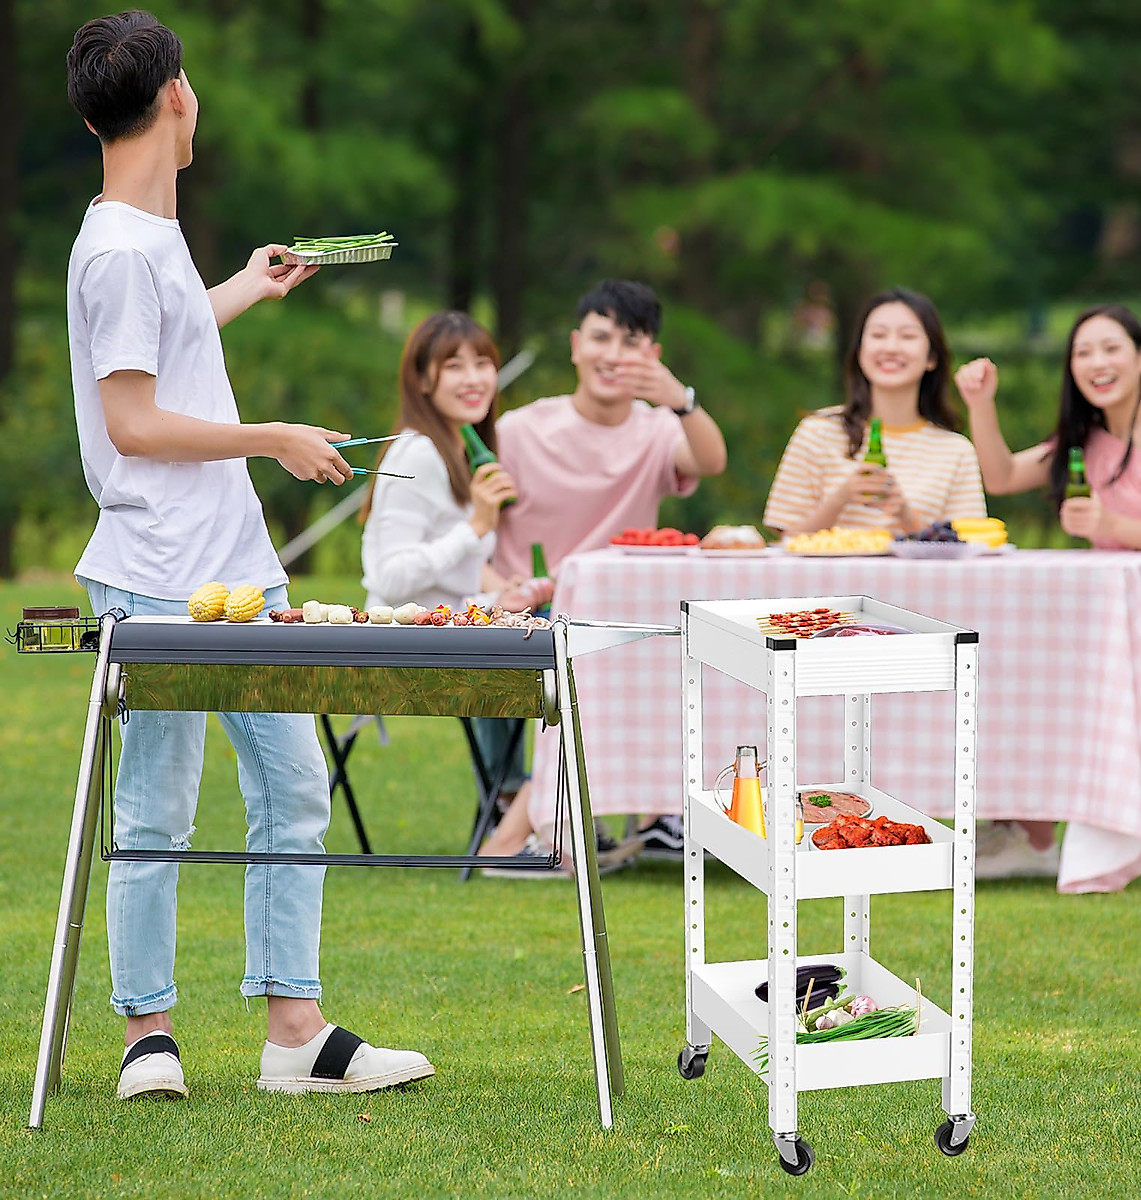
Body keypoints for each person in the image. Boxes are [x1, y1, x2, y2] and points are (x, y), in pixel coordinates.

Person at [65, 10, 432, 1100]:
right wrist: (273, 437)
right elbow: (132, 423)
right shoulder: (124, 252)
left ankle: (296, 1034)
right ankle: (149, 1039)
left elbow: (163, 357)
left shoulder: (144, 233)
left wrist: (242, 290)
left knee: (291, 784)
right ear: (176, 96)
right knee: (155, 807)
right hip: (156, 566)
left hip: (235, 563)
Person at [479, 279, 728, 872]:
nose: (612, 354)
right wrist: (498, 591)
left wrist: (681, 400)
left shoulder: (659, 428)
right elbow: (474, 532)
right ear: (574, 345)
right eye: (600, 337)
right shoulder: (519, 429)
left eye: (631, 341)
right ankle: (538, 827)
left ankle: (627, 815)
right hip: (522, 610)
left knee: (685, 645)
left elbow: (711, 461)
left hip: (614, 619)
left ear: (653, 356)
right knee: (578, 653)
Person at [956, 303, 1141, 877]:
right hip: (1106, 622)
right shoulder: (1085, 436)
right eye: (1083, 352)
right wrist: (979, 404)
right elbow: (1003, 477)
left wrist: (1111, 527)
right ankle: (1031, 835)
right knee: (1032, 692)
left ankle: (1058, 842)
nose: (1096, 363)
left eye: (1111, 348)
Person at [358, 311, 551, 809]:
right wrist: (477, 526)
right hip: (397, 642)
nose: (475, 378)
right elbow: (391, 578)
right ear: (423, 379)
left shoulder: (462, 448)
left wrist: (505, 586)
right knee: (546, 637)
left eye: (483, 363)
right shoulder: (417, 452)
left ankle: (526, 800)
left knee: (544, 618)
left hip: (448, 627)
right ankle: (521, 803)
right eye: (455, 366)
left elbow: (460, 568)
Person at [764, 287, 987, 538]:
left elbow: (966, 550)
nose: (891, 347)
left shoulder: (956, 451)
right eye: (878, 335)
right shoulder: (817, 432)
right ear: (860, 350)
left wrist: (905, 515)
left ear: (932, 357)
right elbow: (788, 539)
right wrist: (841, 498)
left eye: (907, 336)